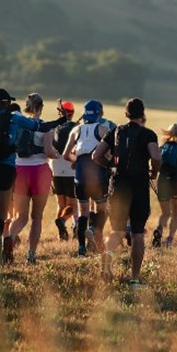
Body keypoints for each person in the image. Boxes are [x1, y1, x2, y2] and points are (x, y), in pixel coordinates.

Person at [92, 98, 160, 284]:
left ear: (126, 113)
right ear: (143, 114)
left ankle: (108, 254)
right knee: (137, 233)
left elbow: (96, 155)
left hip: (118, 185)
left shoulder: (115, 131)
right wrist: (154, 172)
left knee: (117, 230)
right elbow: (155, 156)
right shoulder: (148, 134)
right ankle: (135, 280)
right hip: (139, 185)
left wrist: (110, 167)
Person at [0, 88, 41, 267]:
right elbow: (37, 126)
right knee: (0, 216)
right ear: (5, 103)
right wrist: (61, 120)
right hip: (6, 168)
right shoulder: (14, 118)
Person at [4, 93, 62, 264]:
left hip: (20, 170)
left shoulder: (18, 124)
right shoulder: (43, 127)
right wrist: (57, 155)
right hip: (39, 172)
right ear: (40, 107)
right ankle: (31, 255)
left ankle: (10, 238)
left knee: (21, 216)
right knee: (36, 217)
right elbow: (49, 151)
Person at [62, 100, 115, 257]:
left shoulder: (76, 130)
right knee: (102, 208)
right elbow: (111, 151)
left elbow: (66, 154)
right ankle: (93, 229)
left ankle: (81, 248)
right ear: (100, 113)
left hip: (80, 176)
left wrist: (76, 161)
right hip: (98, 175)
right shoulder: (103, 129)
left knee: (83, 211)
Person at [151, 123, 177, 249]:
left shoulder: (162, 147)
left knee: (165, 213)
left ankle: (158, 230)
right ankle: (169, 239)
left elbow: (155, 164)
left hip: (163, 181)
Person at [49, 100, 77, 241]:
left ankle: (62, 235)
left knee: (61, 204)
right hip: (70, 169)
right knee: (73, 205)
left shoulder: (54, 128)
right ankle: (64, 221)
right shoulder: (76, 128)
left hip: (55, 168)